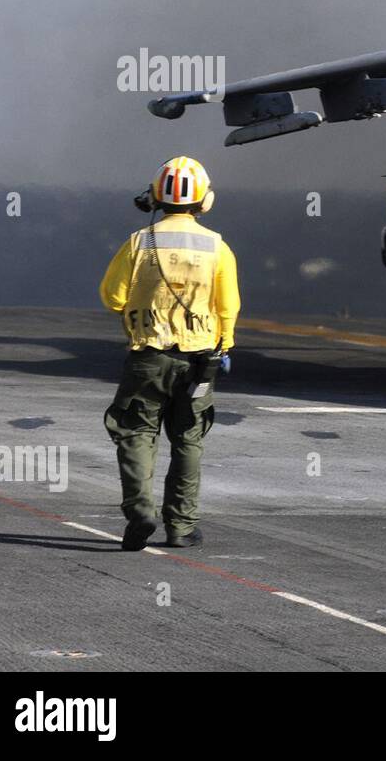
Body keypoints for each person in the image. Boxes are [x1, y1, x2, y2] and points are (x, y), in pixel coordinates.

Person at [99, 156, 240, 551]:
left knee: (135, 432)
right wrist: (223, 345)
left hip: (148, 357)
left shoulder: (140, 241)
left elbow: (112, 296)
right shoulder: (217, 246)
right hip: (200, 363)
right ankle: (180, 527)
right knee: (188, 439)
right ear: (204, 201)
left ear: (157, 197)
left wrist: (140, 310)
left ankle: (141, 510)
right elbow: (228, 305)